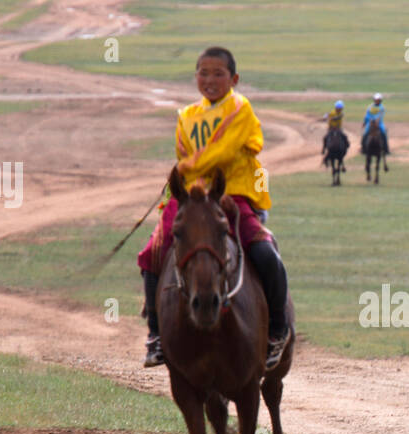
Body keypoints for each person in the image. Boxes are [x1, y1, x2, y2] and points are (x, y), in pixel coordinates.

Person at [139, 46, 293, 370]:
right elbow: (183, 156)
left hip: (232, 194)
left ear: (234, 79)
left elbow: (222, 153)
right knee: (153, 252)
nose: (210, 80)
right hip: (192, 197)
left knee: (265, 253)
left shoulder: (240, 109)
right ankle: (156, 334)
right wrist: (183, 181)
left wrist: (189, 167)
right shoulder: (186, 116)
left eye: (218, 74)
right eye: (203, 73)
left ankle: (277, 329)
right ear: (195, 77)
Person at [321, 99, 348, 170]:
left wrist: (332, 118)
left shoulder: (341, 113)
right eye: (338, 108)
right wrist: (324, 117)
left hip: (339, 129)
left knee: (345, 137)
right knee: (325, 137)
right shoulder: (332, 112)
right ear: (335, 107)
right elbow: (326, 115)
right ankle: (324, 149)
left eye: (340, 108)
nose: (339, 109)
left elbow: (338, 117)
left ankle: (346, 147)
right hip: (331, 129)